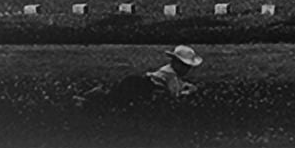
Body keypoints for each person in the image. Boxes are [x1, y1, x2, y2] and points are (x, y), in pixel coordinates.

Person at [73, 45, 203, 108]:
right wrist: (188, 92)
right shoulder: (171, 76)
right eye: (185, 66)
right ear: (176, 63)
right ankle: (86, 101)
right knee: (114, 100)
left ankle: (86, 97)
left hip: (140, 81)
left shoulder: (168, 70)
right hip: (144, 87)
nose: (187, 70)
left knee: (112, 93)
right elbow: (174, 94)